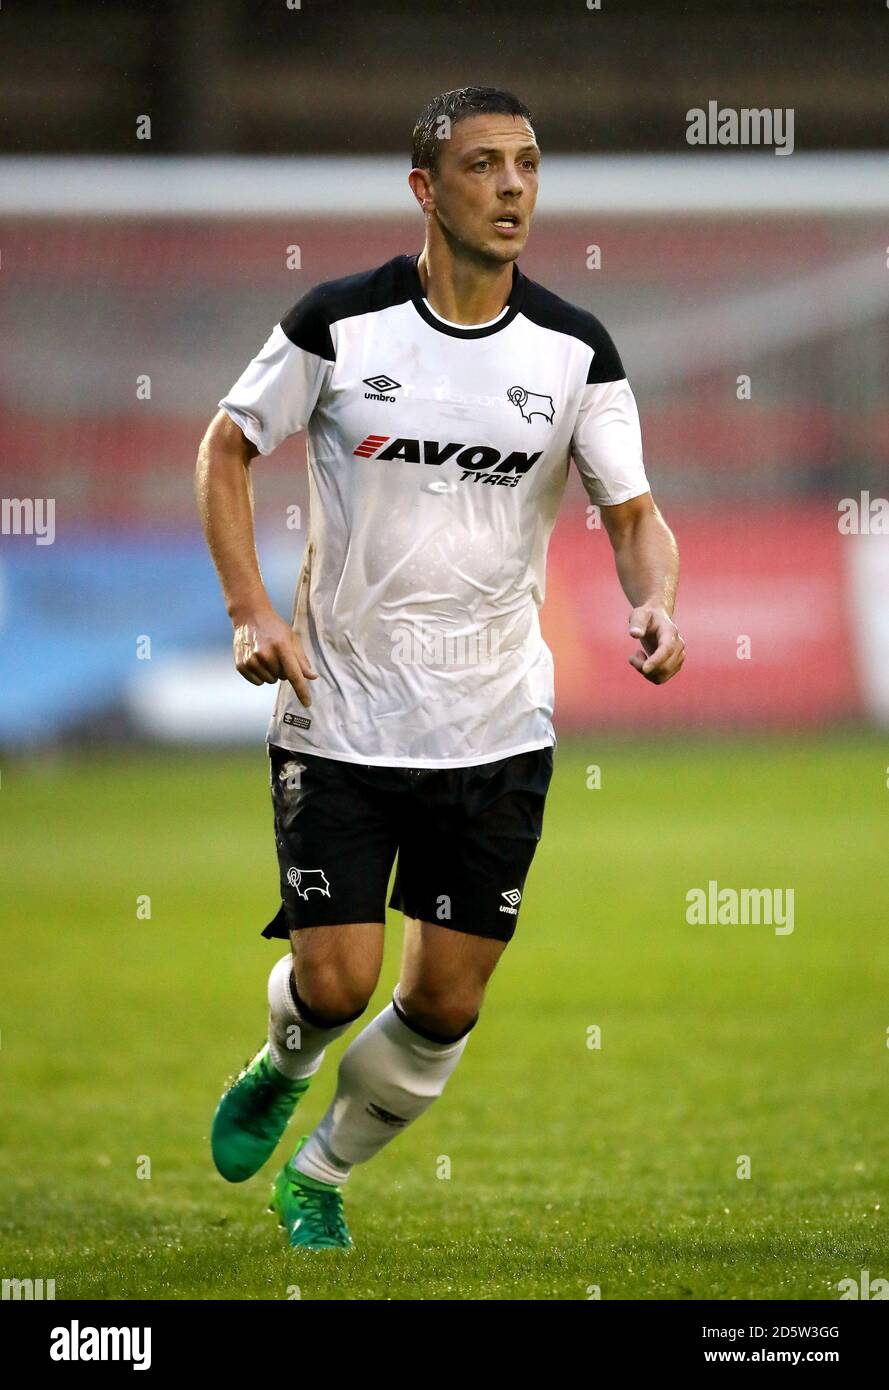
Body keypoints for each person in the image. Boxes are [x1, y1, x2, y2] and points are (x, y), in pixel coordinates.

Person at [195, 85, 685, 1251]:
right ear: (426, 189)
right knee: (335, 982)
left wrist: (657, 597)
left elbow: (632, 514)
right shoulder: (337, 324)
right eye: (483, 166)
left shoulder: (575, 348)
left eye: (526, 163)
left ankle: (318, 1173)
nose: (512, 186)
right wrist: (249, 607)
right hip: (341, 713)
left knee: (443, 1000)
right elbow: (224, 447)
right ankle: (282, 1060)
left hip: (497, 720)